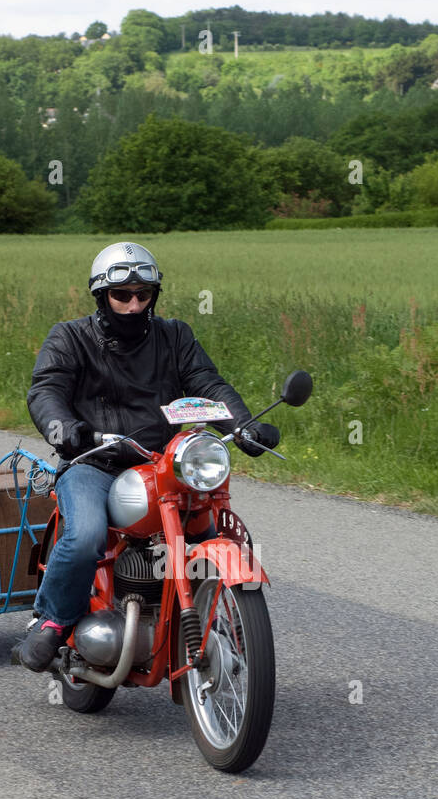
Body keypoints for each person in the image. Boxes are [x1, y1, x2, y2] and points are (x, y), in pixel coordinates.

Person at [18, 240, 280, 672]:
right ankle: (51, 622)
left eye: (144, 295)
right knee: (85, 538)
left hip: (162, 464)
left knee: (210, 529)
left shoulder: (174, 336)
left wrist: (242, 425)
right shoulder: (70, 337)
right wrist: (62, 427)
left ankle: (222, 619)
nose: (134, 304)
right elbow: (47, 389)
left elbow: (206, 384)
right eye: (123, 296)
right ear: (102, 296)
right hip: (94, 462)